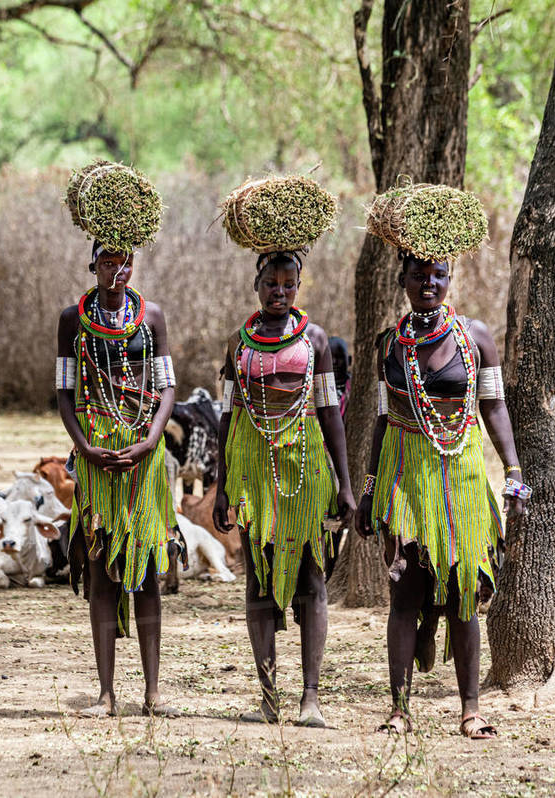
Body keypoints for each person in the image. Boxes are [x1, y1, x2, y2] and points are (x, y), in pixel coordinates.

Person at [356, 253, 529, 739]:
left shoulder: (475, 338)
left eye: (438, 275)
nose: (428, 283)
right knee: (405, 595)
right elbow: (382, 418)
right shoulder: (389, 344)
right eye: (418, 275)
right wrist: (369, 490)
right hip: (405, 479)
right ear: (403, 280)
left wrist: (513, 471)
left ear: (450, 279)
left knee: (463, 596)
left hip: (463, 480)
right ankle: (399, 709)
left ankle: (471, 711)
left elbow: (493, 405)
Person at [212, 250, 356, 728]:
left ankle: (310, 698)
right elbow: (227, 417)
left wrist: (345, 482)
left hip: (305, 468)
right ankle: (269, 696)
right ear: (256, 284)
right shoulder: (238, 343)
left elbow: (332, 413)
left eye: (289, 283)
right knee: (257, 576)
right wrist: (221, 487)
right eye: (271, 283)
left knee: (312, 576)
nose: (280, 291)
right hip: (251, 471)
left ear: (299, 286)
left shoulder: (315, 341)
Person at [56, 241, 179, 719]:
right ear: (93, 265)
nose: (118, 269)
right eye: (109, 261)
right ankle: (106, 694)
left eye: (126, 260)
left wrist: (151, 439)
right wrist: (84, 448)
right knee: (100, 564)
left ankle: (152, 692)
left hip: (143, 456)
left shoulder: (152, 318)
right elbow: (65, 391)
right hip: (95, 456)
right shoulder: (73, 320)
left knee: (146, 567)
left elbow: (166, 386)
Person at [328, 335, 351, 421]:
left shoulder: (355, 389)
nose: (334, 362)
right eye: (329, 357)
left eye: (339, 357)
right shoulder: (314, 390)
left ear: (349, 360)